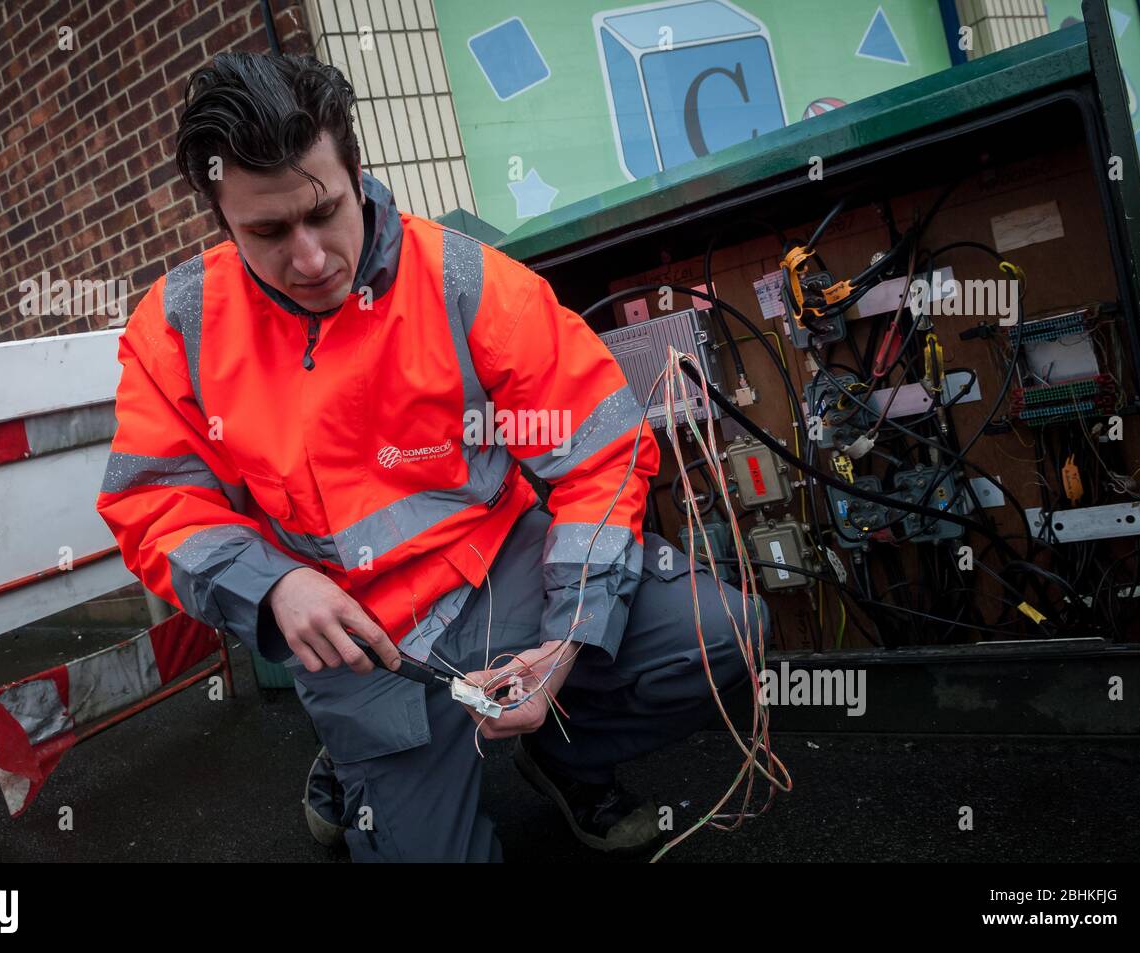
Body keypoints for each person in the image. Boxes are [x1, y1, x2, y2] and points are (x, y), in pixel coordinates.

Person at [97, 51, 766, 862]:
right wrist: (272, 585)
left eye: (325, 213)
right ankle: (357, 762)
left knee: (726, 630)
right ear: (220, 218)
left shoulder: (464, 279)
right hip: (355, 635)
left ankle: (564, 750)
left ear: (357, 172)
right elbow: (154, 502)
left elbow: (603, 451)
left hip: (502, 573)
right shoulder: (177, 327)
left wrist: (567, 638)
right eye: (268, 232)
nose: (309, 259)